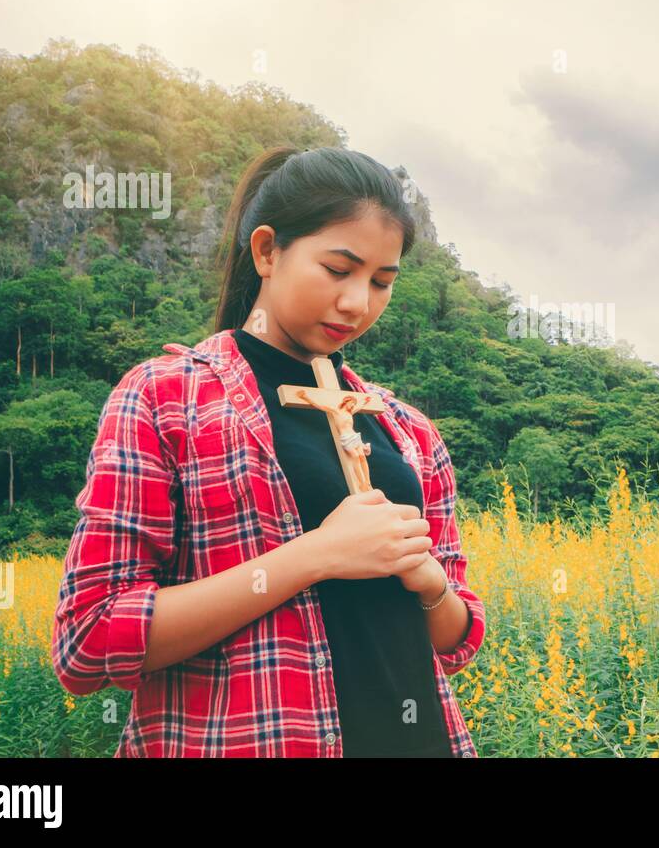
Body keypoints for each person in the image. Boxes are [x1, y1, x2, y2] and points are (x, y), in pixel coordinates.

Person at [51, 145, 486, 757]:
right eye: (339, 270)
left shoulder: (408, 430)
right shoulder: (167, 397)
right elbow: (89, 641)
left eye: (381, 282)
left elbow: (459, 639)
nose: (358, 303)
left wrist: (431, 584)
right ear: (266, 251)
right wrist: (315, 556)